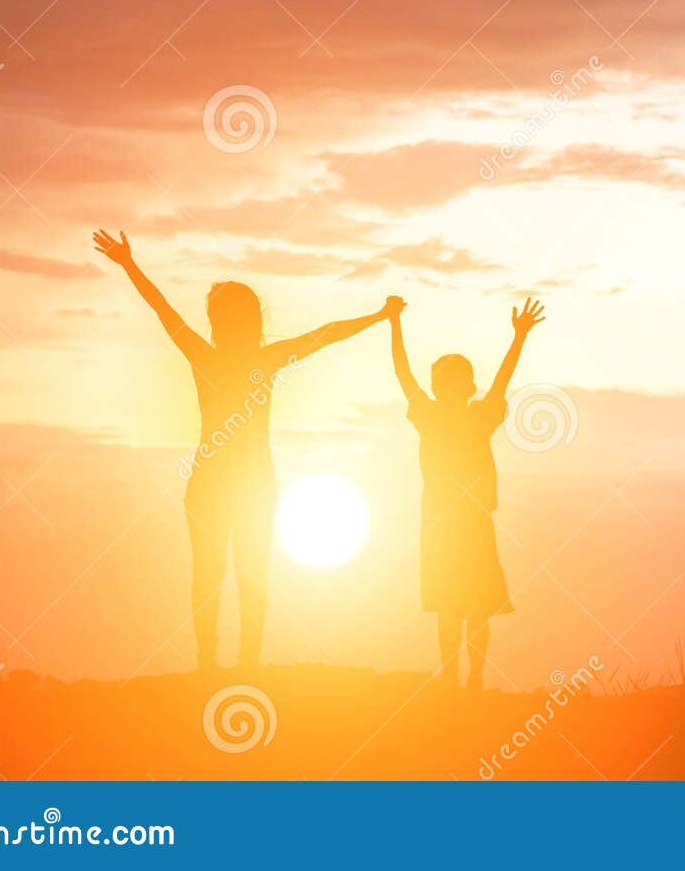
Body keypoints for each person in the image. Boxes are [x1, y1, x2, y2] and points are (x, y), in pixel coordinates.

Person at [92, 229, 400, 670]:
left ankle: (220, 664)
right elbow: (325, 334)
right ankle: (234, 664)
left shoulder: (217, 357)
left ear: (224, 322)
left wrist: (130, 265)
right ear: (250, 321)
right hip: (242, 484)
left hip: (232, 484)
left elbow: (164, 310)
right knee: (237, 577)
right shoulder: (257, 359)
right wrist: (379, 315)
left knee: (218, 577)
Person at [390, 297, 545, 689]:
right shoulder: (472, 416)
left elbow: (403, 374)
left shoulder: (435, 415)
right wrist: (519, 337)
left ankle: (460, 680)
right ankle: (466, 679)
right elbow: (500, 381)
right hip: (461, 522)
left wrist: (394, 323)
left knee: (458, 605)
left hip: (452, 522)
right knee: (468, 605)